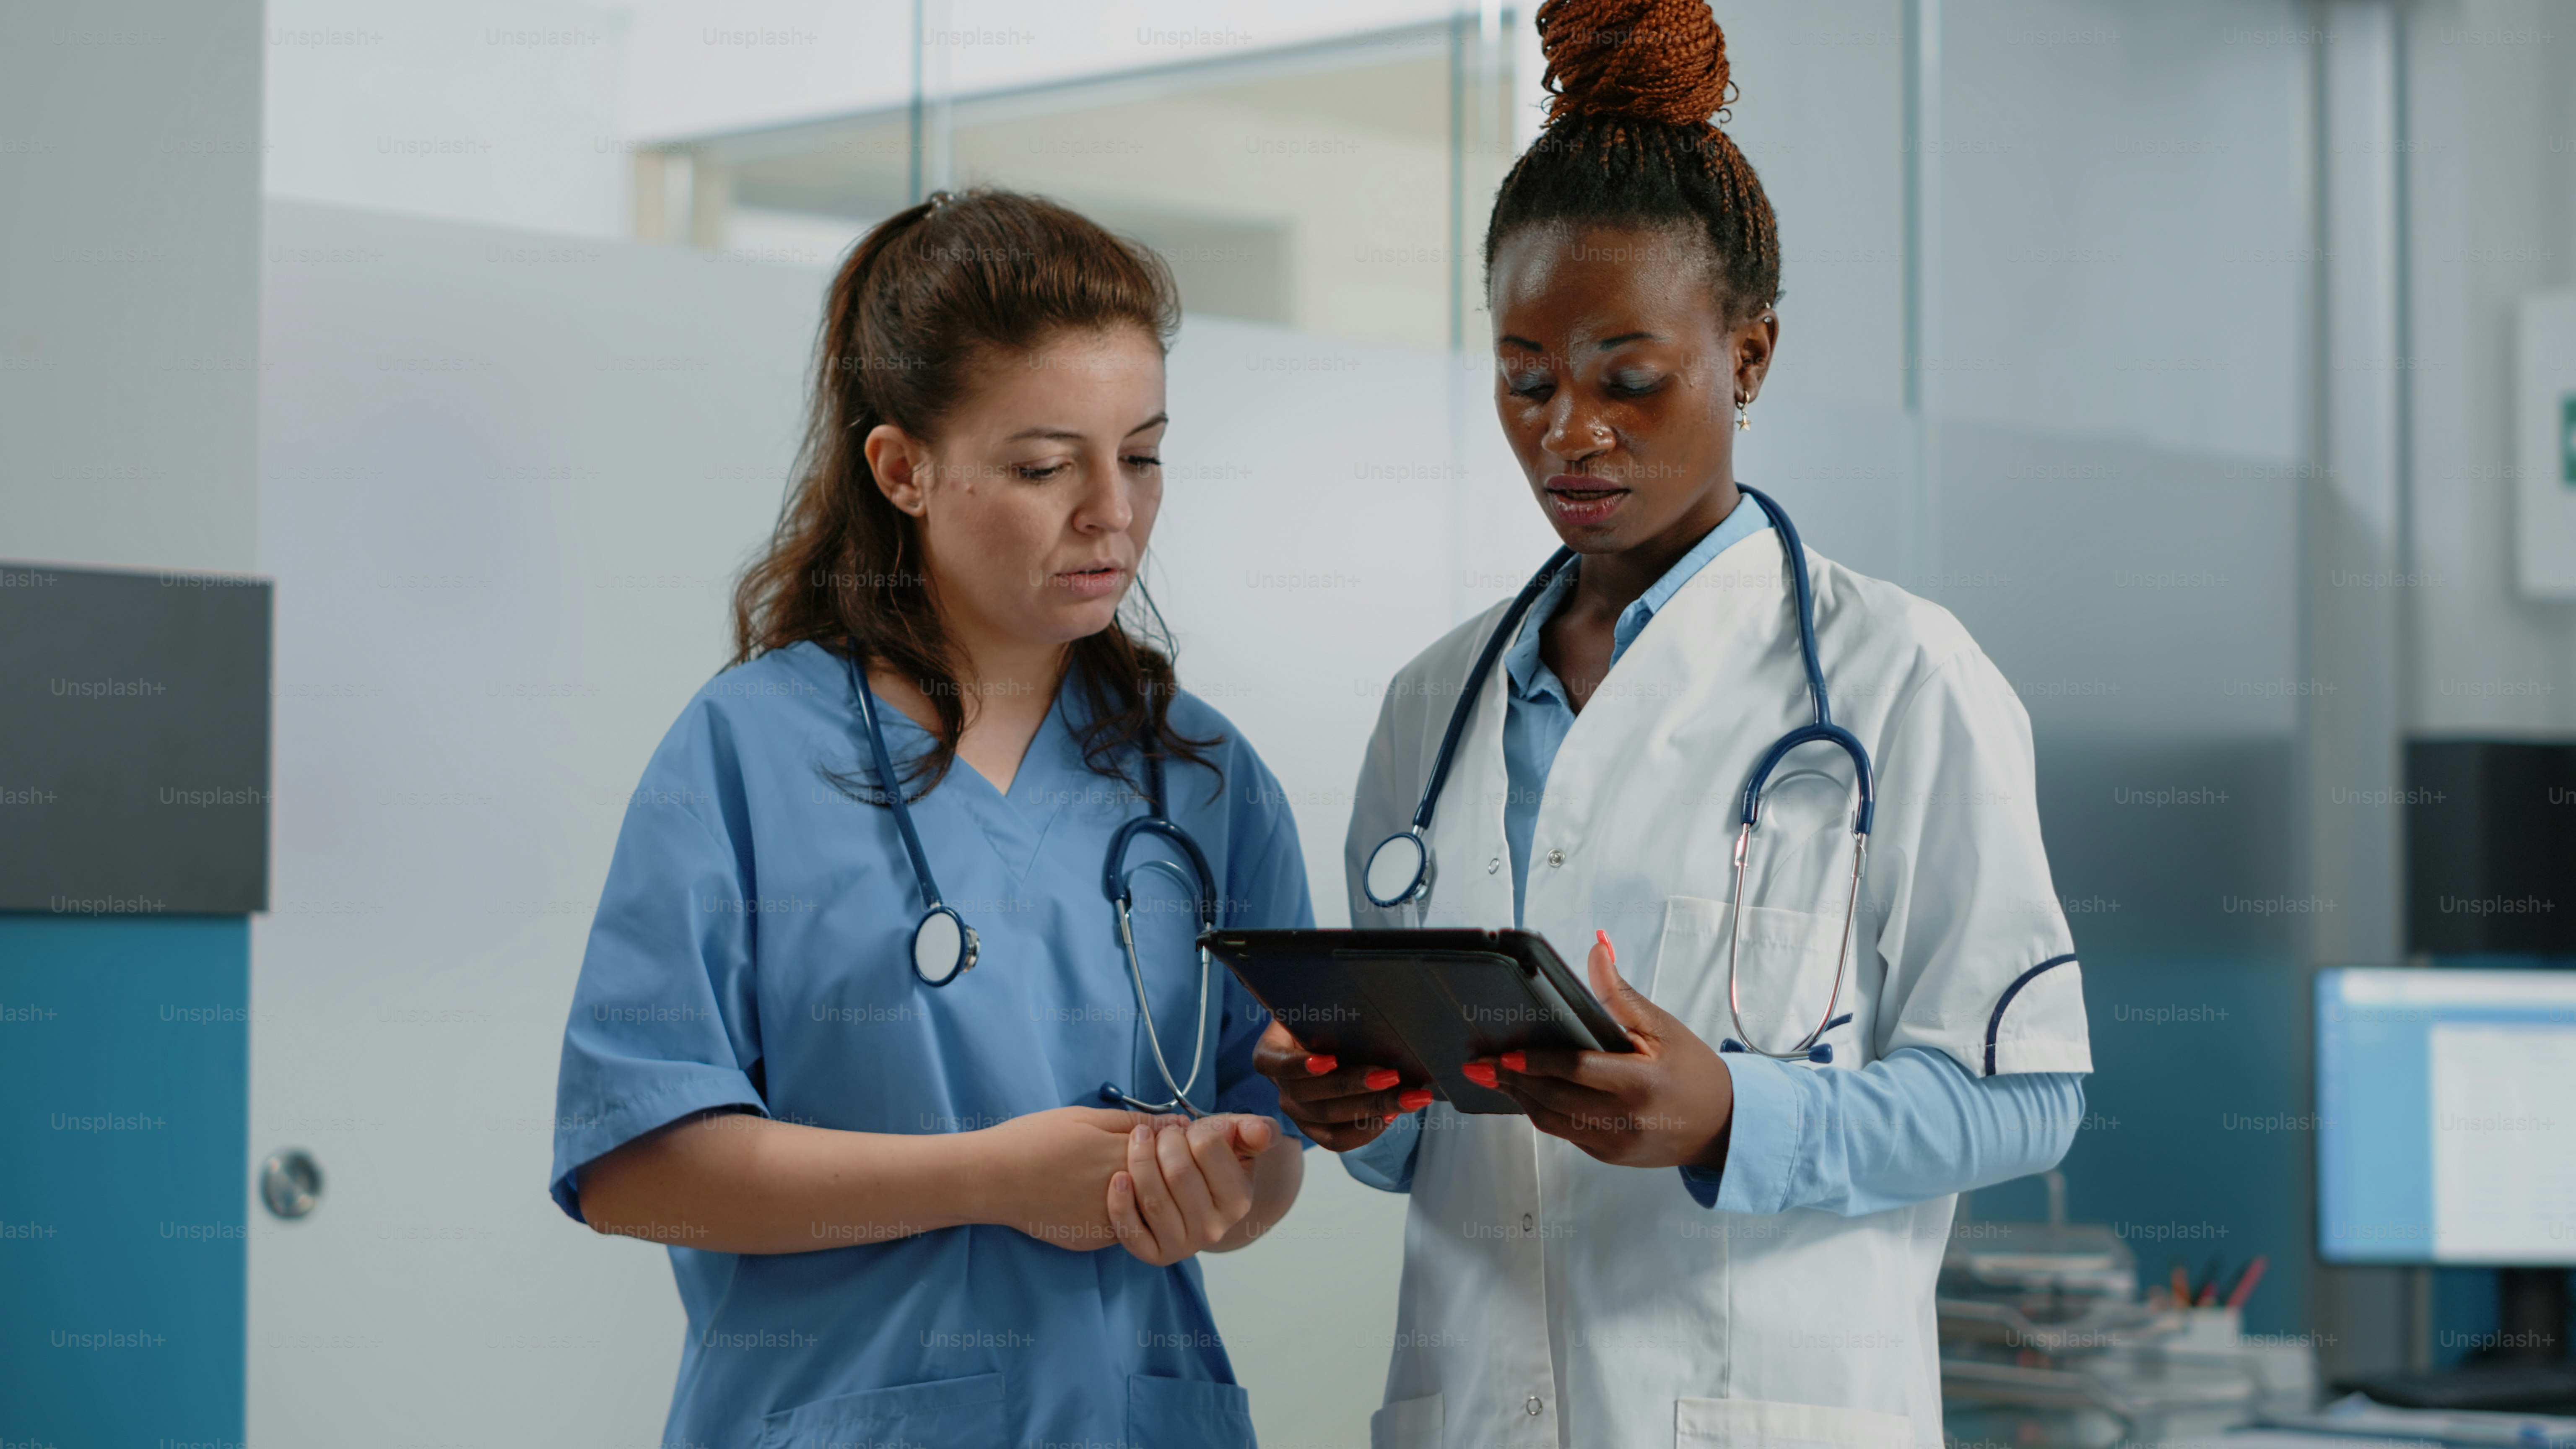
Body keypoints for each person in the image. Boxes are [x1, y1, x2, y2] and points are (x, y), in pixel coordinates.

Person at [1257, 3, 2094, 1446]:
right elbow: (1431, 1164)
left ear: (1748, 359)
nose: (1569, 431)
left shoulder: (1903, 679)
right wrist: (1349, 1107)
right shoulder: (1429, 711)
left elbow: (2026, 1097)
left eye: (1627, 379)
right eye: (1527, 377)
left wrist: (1732, 1119)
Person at [547, 188, 1308, 1449]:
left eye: (1144, 452)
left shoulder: (1206, 777)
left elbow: (1267, 1139)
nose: (1111, 510)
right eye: (1044, 466)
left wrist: (1220, 1193)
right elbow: (633, 1168)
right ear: (903, 470)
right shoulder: (747, 751)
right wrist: (994, 1179)